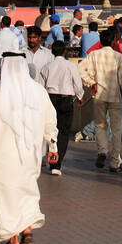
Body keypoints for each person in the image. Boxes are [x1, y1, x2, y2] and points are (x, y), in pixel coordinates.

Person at [0, 53, 59, 244]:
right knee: (26, 190)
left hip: (1, 154)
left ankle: (13, 239)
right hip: (30, 153)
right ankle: (27, 229)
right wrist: (52, 146)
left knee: (4, 195)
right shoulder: (38, 91)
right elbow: (50, 120)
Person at [78, 27, 122, 172]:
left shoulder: (93, 55)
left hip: (99, 95)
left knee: (100, 125)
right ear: (114, 41)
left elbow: (80, 69)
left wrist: (91, 83)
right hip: (115, 96)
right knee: (116, 129)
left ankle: (102, 151)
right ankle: (115, 161)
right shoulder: (118, 57)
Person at [39, 41, 85, 176]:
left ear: (52, 51)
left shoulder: (46, 67)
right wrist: (80, 96)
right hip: (66, 100)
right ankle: (56, 164)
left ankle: (50, 157)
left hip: (50, 99)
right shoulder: (70, 66)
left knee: (51, 130)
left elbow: (41, 86)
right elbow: (77, 83)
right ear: (64, 51)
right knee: (64, 132)